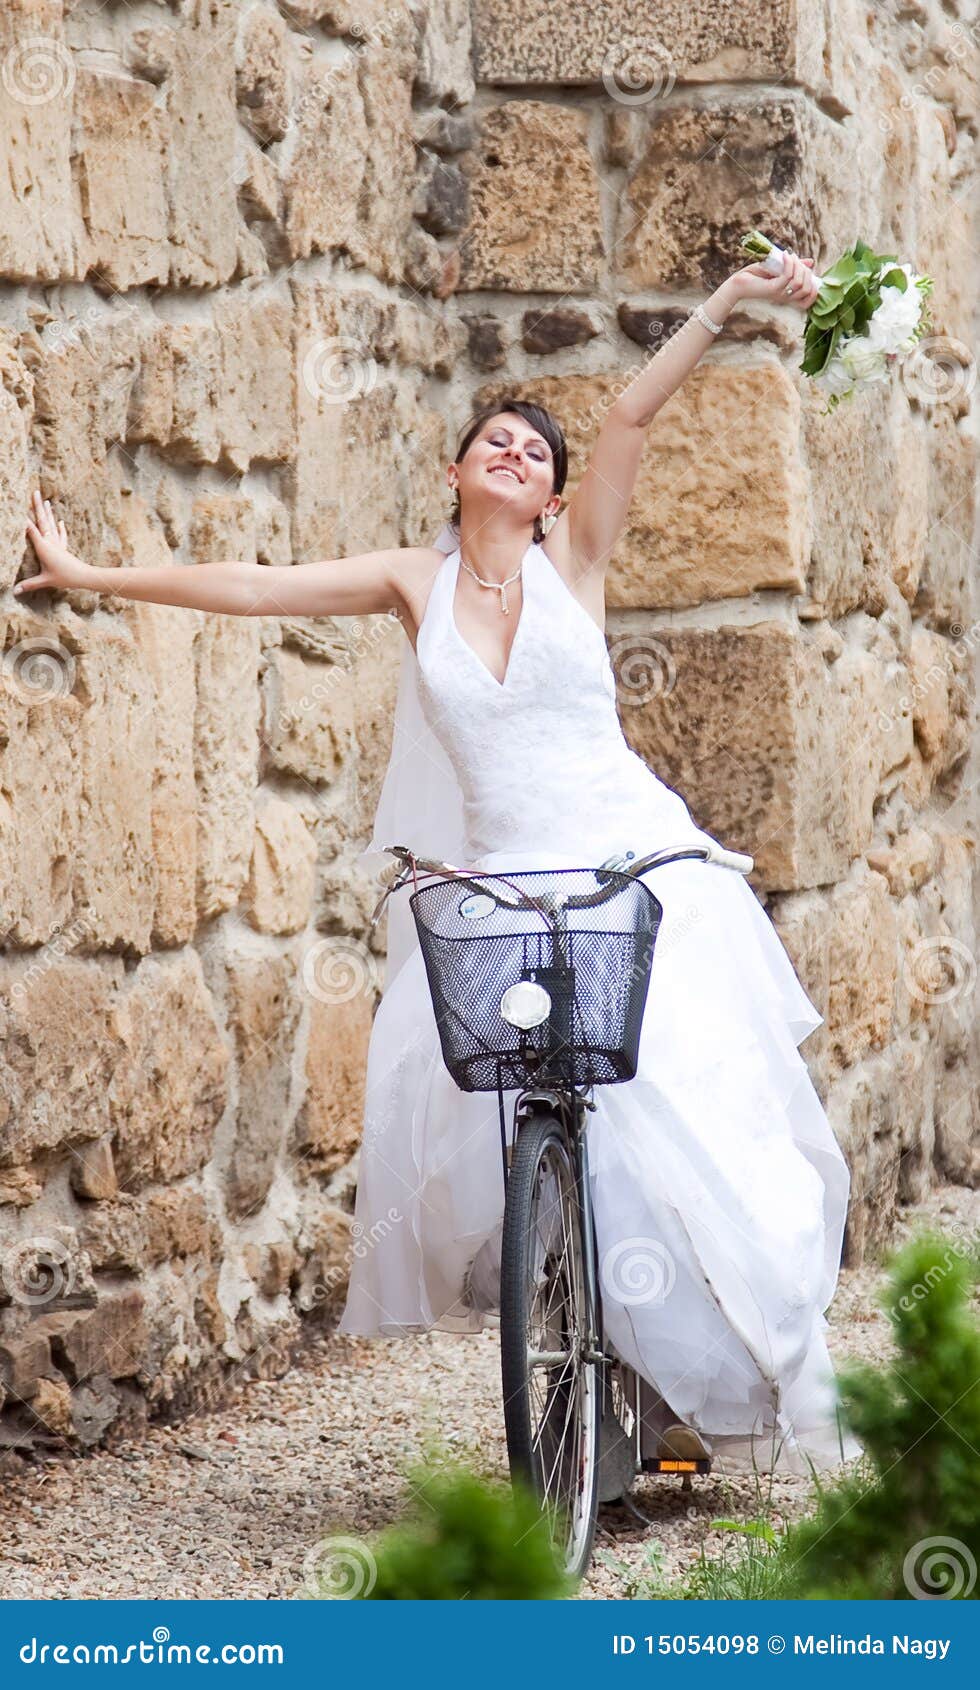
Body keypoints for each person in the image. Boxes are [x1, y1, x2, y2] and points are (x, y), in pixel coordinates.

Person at [19, 248, 862, 1476]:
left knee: (690, 1139)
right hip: (509, 882)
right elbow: (256, 588)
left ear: (553, 496)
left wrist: (726, 306)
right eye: (495, 439)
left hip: (632, 865)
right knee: (570, 1147)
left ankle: (705, 1385)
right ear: (458, 470)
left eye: (536, 450)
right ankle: (602, 1396)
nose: (516, 451)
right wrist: (93, 575)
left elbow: (630, 410)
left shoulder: (576, 566)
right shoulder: (411, 584)